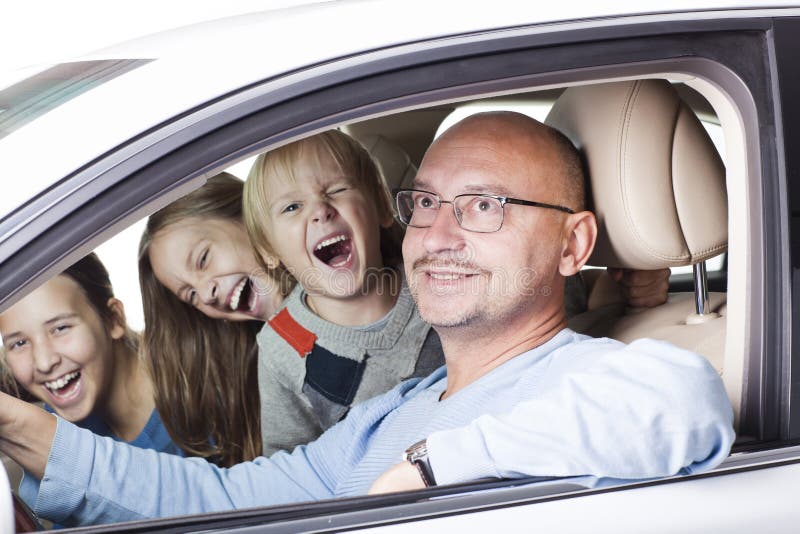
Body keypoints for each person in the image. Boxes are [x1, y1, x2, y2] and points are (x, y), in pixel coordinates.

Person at [0, 111, 733, 526]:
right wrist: (37, 435)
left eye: (485, 205)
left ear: (573, 244)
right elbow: (224, 500)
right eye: (426, 205)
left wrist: (433, 469)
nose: (440, 235)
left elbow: (686, 403)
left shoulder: (586, 378)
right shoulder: (393, 413)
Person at [242, 130, 443, 454]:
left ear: (380, 204)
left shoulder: (438, 277)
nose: (321, 210)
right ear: (269, 249)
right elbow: (290, 465)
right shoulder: (282, 347)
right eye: (292, 207)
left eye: (336, 189)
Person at [0, 253, 182, 508]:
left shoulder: (194, 393)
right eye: (19, 343)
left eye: (60, 328)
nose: (43, 362)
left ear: (114, 319)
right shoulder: (64, 410)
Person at [138, 173, 277, 465]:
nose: (206, 293)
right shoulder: (267, 368)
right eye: (189, 295)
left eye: (202, 259)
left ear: (247, 215)